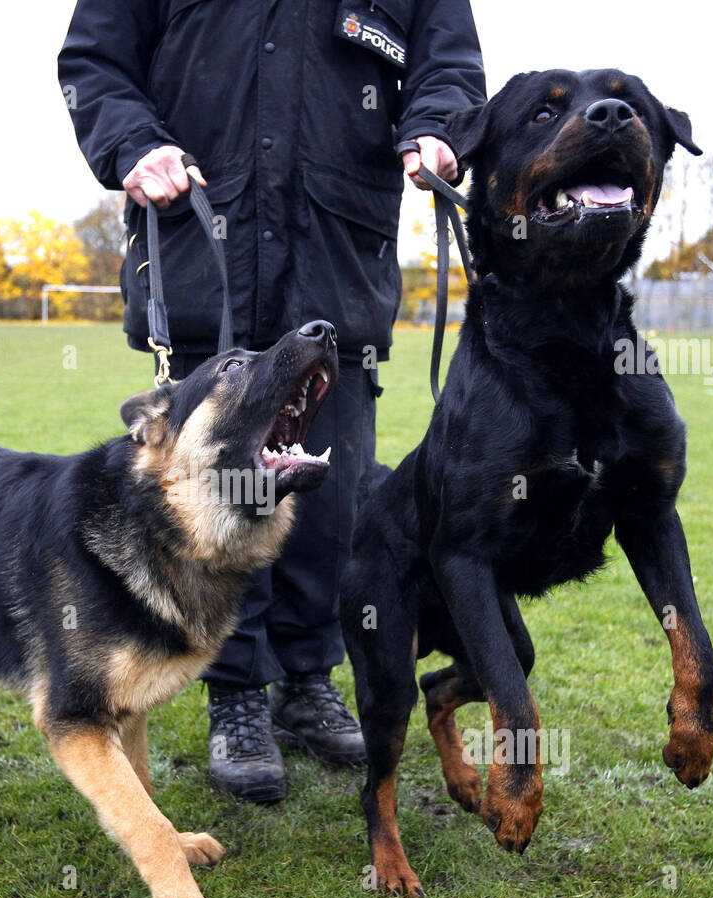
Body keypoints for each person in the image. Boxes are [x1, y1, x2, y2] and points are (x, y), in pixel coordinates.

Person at [59, 0, 485, 803]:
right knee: (212, 497)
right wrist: (135, 142)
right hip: (200, 245)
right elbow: (95, 63)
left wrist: (437, 128)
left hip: (336, 261)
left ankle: (308, 679)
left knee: (331, 496)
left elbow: (449, 68)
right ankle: (235, 697)